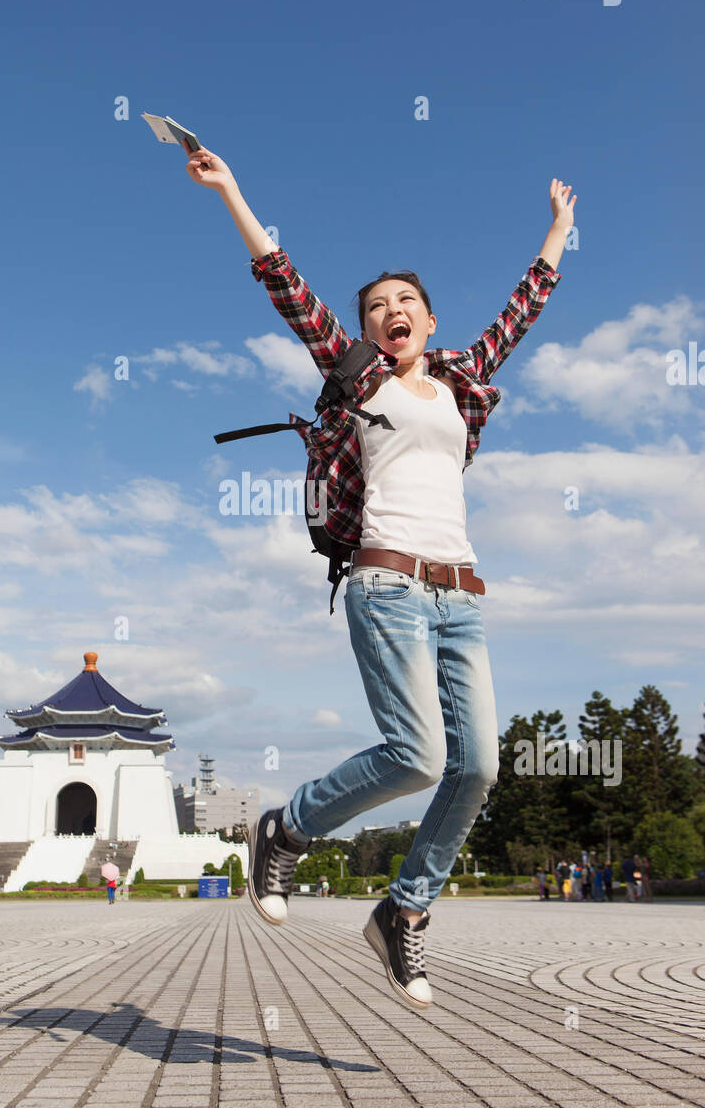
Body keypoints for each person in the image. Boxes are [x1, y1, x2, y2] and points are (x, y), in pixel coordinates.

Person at [182, 139, 574, 1011]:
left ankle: (404, 910)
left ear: (429, 321)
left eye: (406, 302)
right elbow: (284, 284)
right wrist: (232, 190)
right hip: (387, 585)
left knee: (477, 770)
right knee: (419, 755)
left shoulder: (463, 380)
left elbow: (524, 309)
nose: (390, 312)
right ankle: (290, 825)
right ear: (364, 331)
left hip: (462, 594)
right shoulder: (357, 380)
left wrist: (557, 232)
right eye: (375, 307)